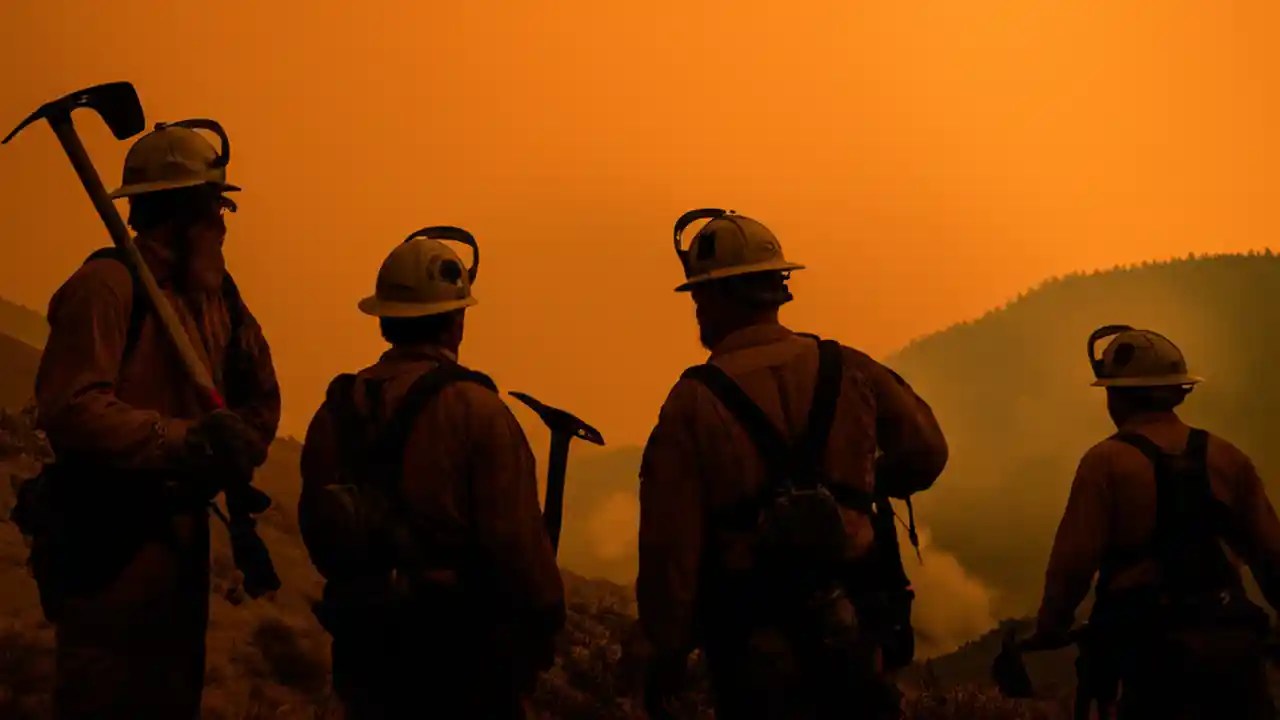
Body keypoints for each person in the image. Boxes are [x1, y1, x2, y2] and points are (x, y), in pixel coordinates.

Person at [637, 209, 949, 719]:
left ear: (712, 297)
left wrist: (666, 653)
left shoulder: (691, 404)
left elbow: (670, 550)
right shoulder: (848, 367)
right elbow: (928, 452)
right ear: (778, 289)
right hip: (860, 635)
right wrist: (861, 486)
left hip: (755, 656)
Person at [31, 120, 281, 719]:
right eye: (214, 208)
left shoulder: (221, 300)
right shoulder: (106, 287)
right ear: (184, 213)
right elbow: (72, 409)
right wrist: (183, 439)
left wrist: (239, 443)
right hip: (107, 545)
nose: (222, 224)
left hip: (182, 546)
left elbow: (260, 399)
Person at [299, 227, 565, 719]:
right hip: (460, 659)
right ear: (456, 321)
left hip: (362, 650)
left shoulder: (335, 410)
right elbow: (517, 543)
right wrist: (545, 620)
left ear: (385, 319)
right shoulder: (477, 411)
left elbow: (317, 527)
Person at [1031, 325, 1280, 719]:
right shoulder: (1227, 458)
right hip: (1234, 654)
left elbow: (1073, 564)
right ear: (1178, 392)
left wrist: (1051, 624)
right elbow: (1272, 556)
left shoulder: (1105, 462)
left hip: (1152, 659)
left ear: (1115, 396)